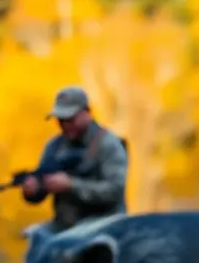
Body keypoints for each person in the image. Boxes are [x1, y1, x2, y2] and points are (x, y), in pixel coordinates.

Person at [22, 85, 129, 233]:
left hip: (105, 226)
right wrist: (33, 190)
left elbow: (114, 191)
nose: (65, 125)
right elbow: (41, 187)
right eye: (61, 120)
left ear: (87, 113)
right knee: (34, 237)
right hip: (64, 227)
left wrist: (71, 185)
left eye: (70, 119)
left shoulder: (108, 145)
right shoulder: (54, 146)